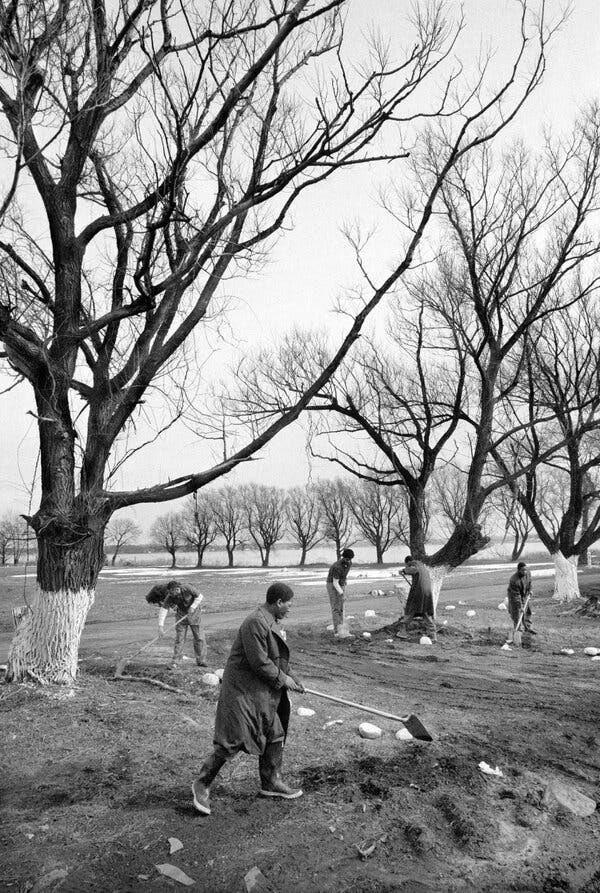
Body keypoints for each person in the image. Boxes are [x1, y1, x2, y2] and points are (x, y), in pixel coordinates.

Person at [191, 582, 305, 816]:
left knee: (275, 732)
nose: (290, 609)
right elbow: (260, 662)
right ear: (278, 602)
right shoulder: (255, 622)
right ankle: (201, 784)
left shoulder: (271, 621)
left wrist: (292, 676)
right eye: (289, 604)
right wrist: (284, 680)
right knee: (232, 739)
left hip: (261, 692)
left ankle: (271, 782)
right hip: (242, 692)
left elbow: (277, 660)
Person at [145, 579, 208, 669]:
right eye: (169, 592)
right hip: (181, 615)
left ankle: (201, 660)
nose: (170, 594)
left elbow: (200, 596)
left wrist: (193, 607)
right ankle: (175, 661)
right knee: (179, 639)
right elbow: (164, 610)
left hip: (195, 615)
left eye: (172, 592)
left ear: (177, 589)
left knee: (199, 638)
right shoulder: (170, 596)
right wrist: (160, 627)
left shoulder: (187, 588)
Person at [399, 555, 436, 639]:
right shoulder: (423, 567)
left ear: (408, 562)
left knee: (410, 610)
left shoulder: (414, 565)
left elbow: (412, 569)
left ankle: (402, 632)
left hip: (418, 592)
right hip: (427, 593)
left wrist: (403, 571)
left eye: (406, 564)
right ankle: (433, 634)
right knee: (425, 612)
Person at [326, 548, 355, 638]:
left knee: (341, 607)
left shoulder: (349, 563)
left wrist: (344, 581)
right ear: (343, 557)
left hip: (340, 583)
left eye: (350, 559)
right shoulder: (337, 567)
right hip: (332, 584)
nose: (348, 561)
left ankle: (342, 628)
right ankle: (337, 631)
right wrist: (341, 593)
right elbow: (335, 583)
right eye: (347, 559)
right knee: (336, 608)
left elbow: (344, 574)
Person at [507, 561, 535, 635]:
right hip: (514, 596)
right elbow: (516, 595)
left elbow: (529, 583)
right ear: (518, 570)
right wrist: (520, 606)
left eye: (526, 570)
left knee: (528, 611)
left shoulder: (528, 573)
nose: (525, 572)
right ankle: (518, 630)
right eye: (523, 570)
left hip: (525, 595)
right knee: (517, 613)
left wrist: (530, 590)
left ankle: (528, 628)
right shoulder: (514, 580)